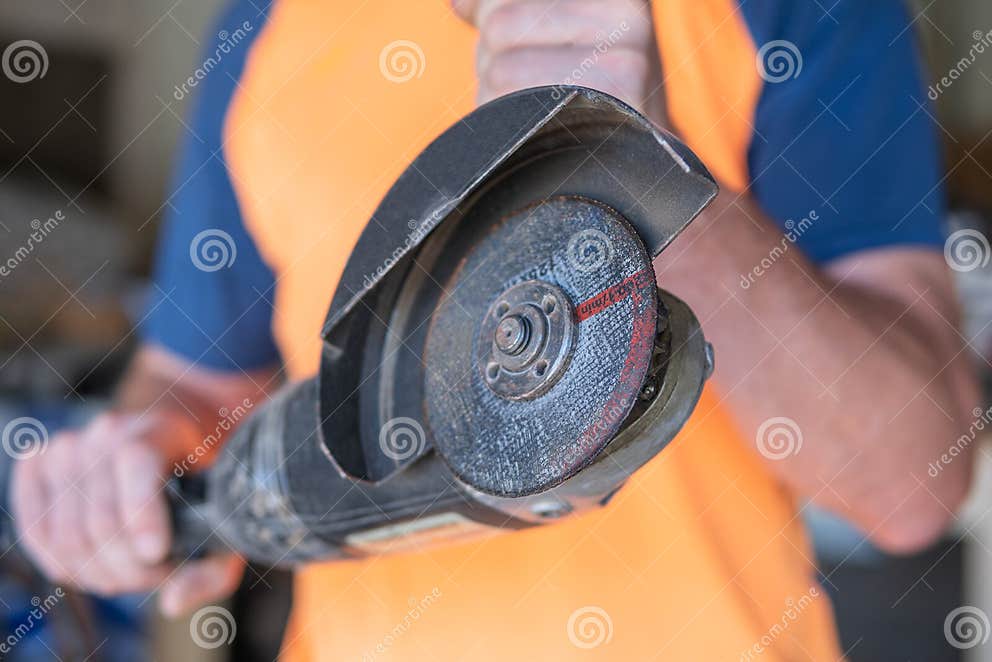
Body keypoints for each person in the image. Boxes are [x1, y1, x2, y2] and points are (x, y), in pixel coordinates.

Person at [11, 0, 978, 659]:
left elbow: (910, 484)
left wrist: (632, 162)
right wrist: (145, 461)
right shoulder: (268, 27)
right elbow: (195, 389)